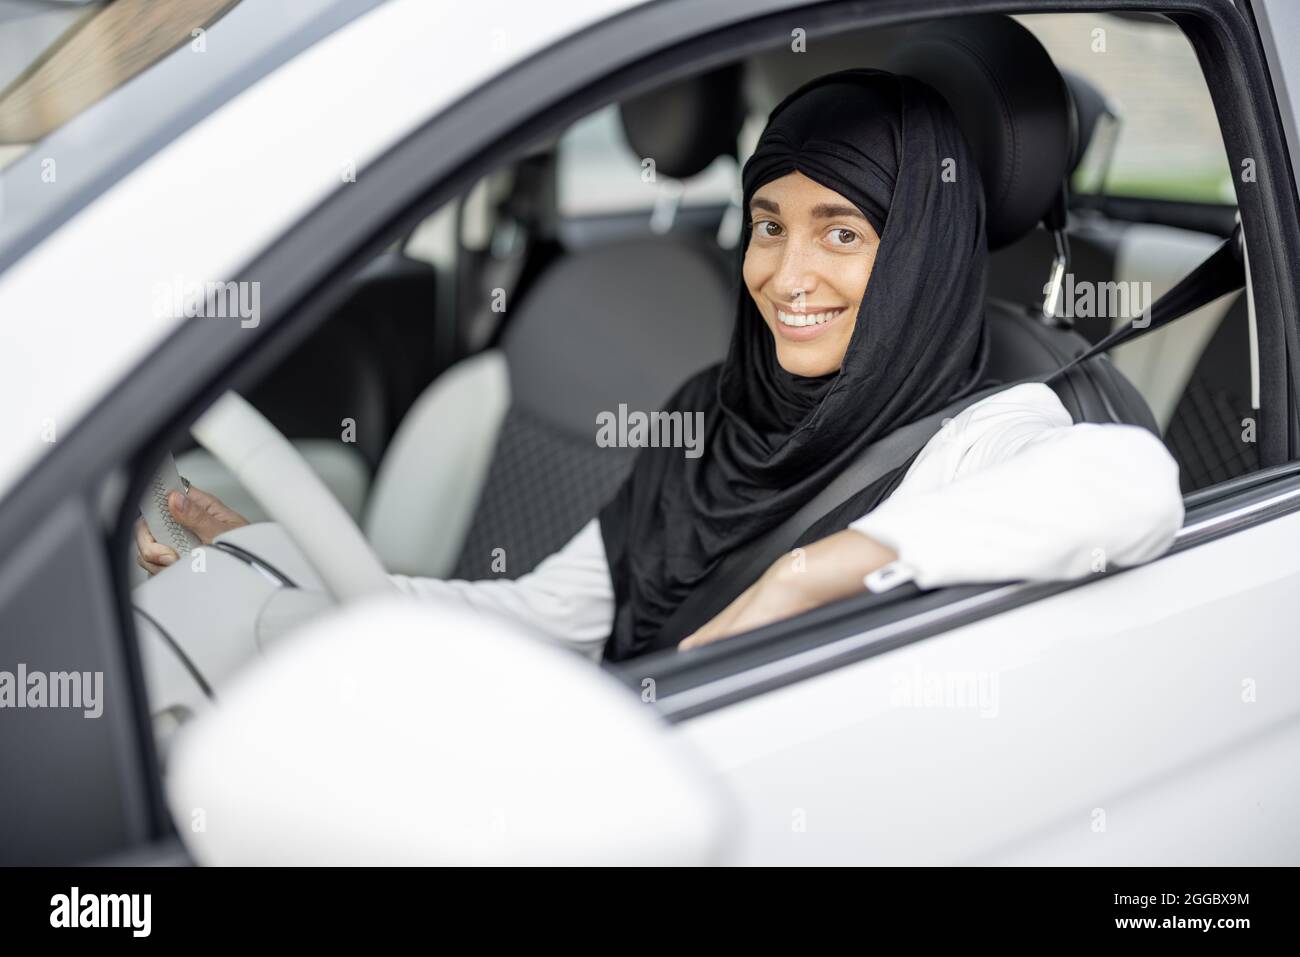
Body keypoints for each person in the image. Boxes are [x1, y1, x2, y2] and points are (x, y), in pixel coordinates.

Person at [137, 69, 1184, 664]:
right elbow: (551, 618)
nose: (787, 275)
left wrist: (807, 571)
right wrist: (296, 570)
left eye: (842, 234)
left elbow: (1134, 485)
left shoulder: (984, 433)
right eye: (768, 226)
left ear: (914, 253)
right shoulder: (719, 415)